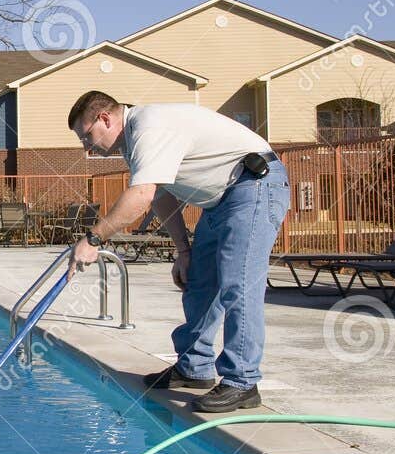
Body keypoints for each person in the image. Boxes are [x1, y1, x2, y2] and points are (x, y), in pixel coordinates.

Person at [66, 92, 290, 412]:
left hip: (254, 186)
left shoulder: (148, 127)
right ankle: (194, 368)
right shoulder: (133, 143)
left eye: (87, 135)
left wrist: (94, 238)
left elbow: (141, 196)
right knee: (198, 282)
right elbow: (160, 197)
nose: (86, 146)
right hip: (221, 200)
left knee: (238, 283)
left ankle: (243, 381)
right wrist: (183, 251)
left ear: (105, 118)